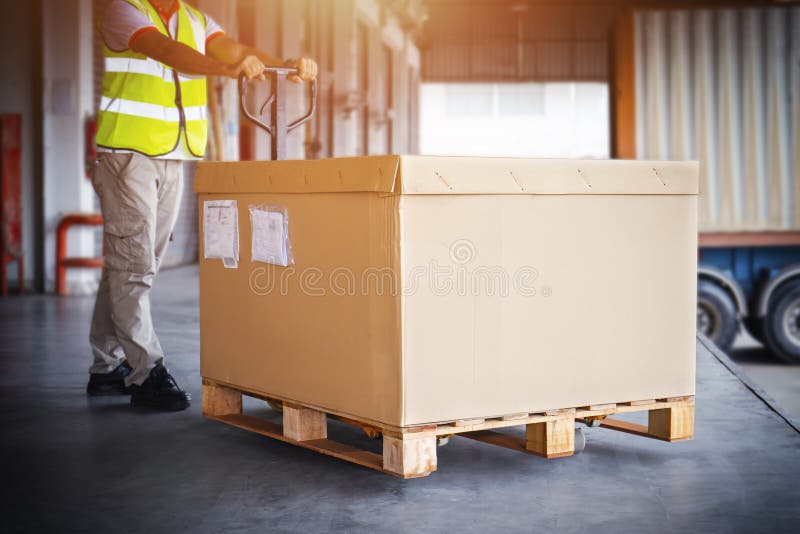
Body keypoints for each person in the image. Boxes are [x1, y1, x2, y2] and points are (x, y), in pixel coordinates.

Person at [86, 0, 317, 410]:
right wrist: (228, 70)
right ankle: (145, 372)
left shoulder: (196, 21)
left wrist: (282, 64)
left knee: (134, 263)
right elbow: (164, 50)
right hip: (127, 155)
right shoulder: (125, 11)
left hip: (173, 154)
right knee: (134, 265)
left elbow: (234, 48)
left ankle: (106, 368)